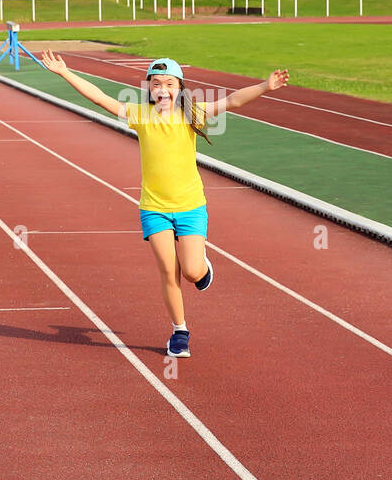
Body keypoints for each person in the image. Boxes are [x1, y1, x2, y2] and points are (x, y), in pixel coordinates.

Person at [40, 51, 289, 358]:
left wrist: (266, 85)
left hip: (190, 205)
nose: (162, 89)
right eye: (156, 83)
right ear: (148, 88)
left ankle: (201, 267)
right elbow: (100, 98)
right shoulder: (140, 115)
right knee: (168, 271)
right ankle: (179, 330)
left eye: (169, 83)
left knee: (191, 272)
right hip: (154, 207)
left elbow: (233, 102)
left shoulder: (191, 114)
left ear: (179, 87)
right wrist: (65, 72)